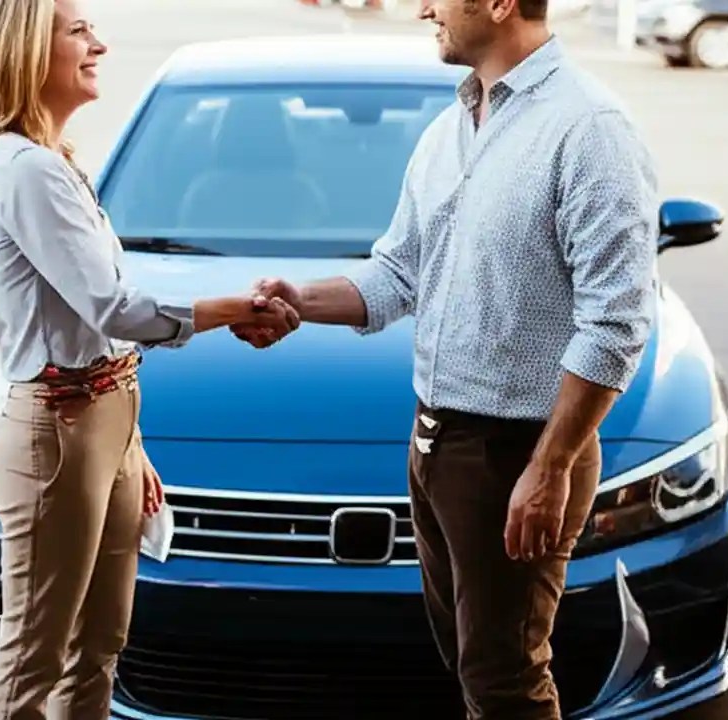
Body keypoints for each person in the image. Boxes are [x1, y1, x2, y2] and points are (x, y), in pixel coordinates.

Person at [232, 0, 660, 718]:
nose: (424, 7)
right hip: (437, 442)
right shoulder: (449, 129)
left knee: (506, 679)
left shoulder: (590, 130)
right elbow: (398, 276)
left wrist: (550, 466)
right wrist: (299, 301)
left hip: (518, 450)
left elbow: (615, 322)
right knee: (473, 664)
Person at [0, 1, 300, 718]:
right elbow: (119, 309)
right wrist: (239, 307)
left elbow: (103, 328)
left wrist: (129, 446)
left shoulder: (52, 162)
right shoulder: (23, 170)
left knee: (98, 645)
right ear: (22, 50)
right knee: (34, 653)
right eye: (78, 31)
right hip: (57, 433)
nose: (99, 44)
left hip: (100, 422)